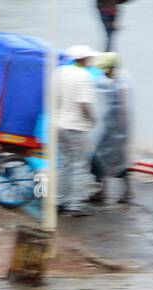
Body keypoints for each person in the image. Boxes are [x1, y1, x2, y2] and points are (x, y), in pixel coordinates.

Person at [57, 45, 98, 216]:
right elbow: (84, 104)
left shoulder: (60, 72)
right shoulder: (84, 76)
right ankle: (75, 205)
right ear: (84, 59)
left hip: (59, 124)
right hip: (76, 126)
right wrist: (92, 119)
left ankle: (59, 201)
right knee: (79, 165)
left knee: (65, 164)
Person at [89, 52, 133, 205]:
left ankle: (126, 191)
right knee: (100, 159)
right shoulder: (112, 80)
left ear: (112, 68)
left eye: (105, 69)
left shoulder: (121, 83)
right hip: (109, 126)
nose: (103, 72)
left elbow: (120, 109)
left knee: (118, 161)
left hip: (118, 129)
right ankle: (103, 190)